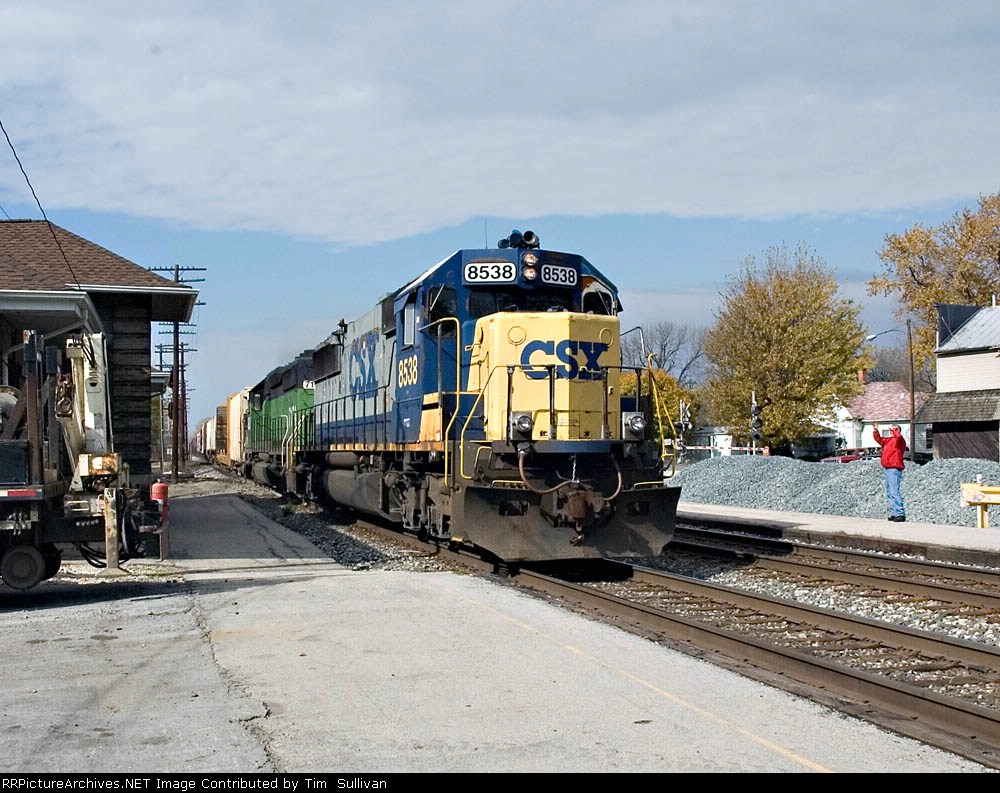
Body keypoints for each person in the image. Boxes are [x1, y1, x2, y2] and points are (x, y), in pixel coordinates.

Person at [872, 424, 907, 522]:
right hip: (888, 468)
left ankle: (900, 513)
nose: (891, 431)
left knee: (894, 491)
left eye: (894, 429)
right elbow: (879, 439)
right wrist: (875, 431)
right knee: (890, 492)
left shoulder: (900, 441)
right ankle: (894, 513)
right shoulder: (889, 441)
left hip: (894, 468)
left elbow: (898, 436)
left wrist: (895, 429)